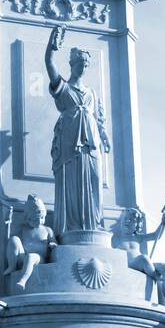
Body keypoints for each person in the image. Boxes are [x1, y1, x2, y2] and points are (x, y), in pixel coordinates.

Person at [45, 26, 110, 236]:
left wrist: (104, 134)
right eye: (79, 63)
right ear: (72, 64)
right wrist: (51, 47)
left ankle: (94, 223)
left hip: (91, 142)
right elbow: (49, 64)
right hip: (69, 140)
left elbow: (99, 119)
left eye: (86, 64)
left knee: (94, 177)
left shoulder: (92, 93)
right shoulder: (63, 88)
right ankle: (72, 226)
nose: (83, 67)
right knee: (71, 179)